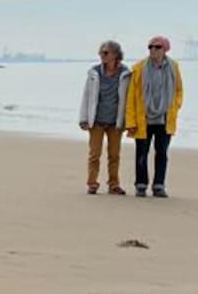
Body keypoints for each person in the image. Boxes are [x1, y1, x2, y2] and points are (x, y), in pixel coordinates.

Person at [126, 36, 184, 198]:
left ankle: (159, 185)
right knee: (141, 153)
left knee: (162, 152)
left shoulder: (173, 67)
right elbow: (131, 96)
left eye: (157, 47)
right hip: (143, 118)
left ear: (165, 49)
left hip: (165, 118)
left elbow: (179, 90)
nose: (153, 50)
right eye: (150, 47)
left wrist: (175, 106)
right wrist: (130, 121)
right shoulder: (138, 68)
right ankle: (141, 185)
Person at [78, 40, 130, 195]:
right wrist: (83, 118)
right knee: (94, 154)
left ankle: (114, 184)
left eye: (106, 53)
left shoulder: (125, 74)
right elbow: (86, 96)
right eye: (101, 52)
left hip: (115, 122)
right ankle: (92, 184)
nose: (102, 55)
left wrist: (128, 121)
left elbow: (128, 98)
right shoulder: (94, 73)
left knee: (114, 155)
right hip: (97, 121)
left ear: (115, 54)